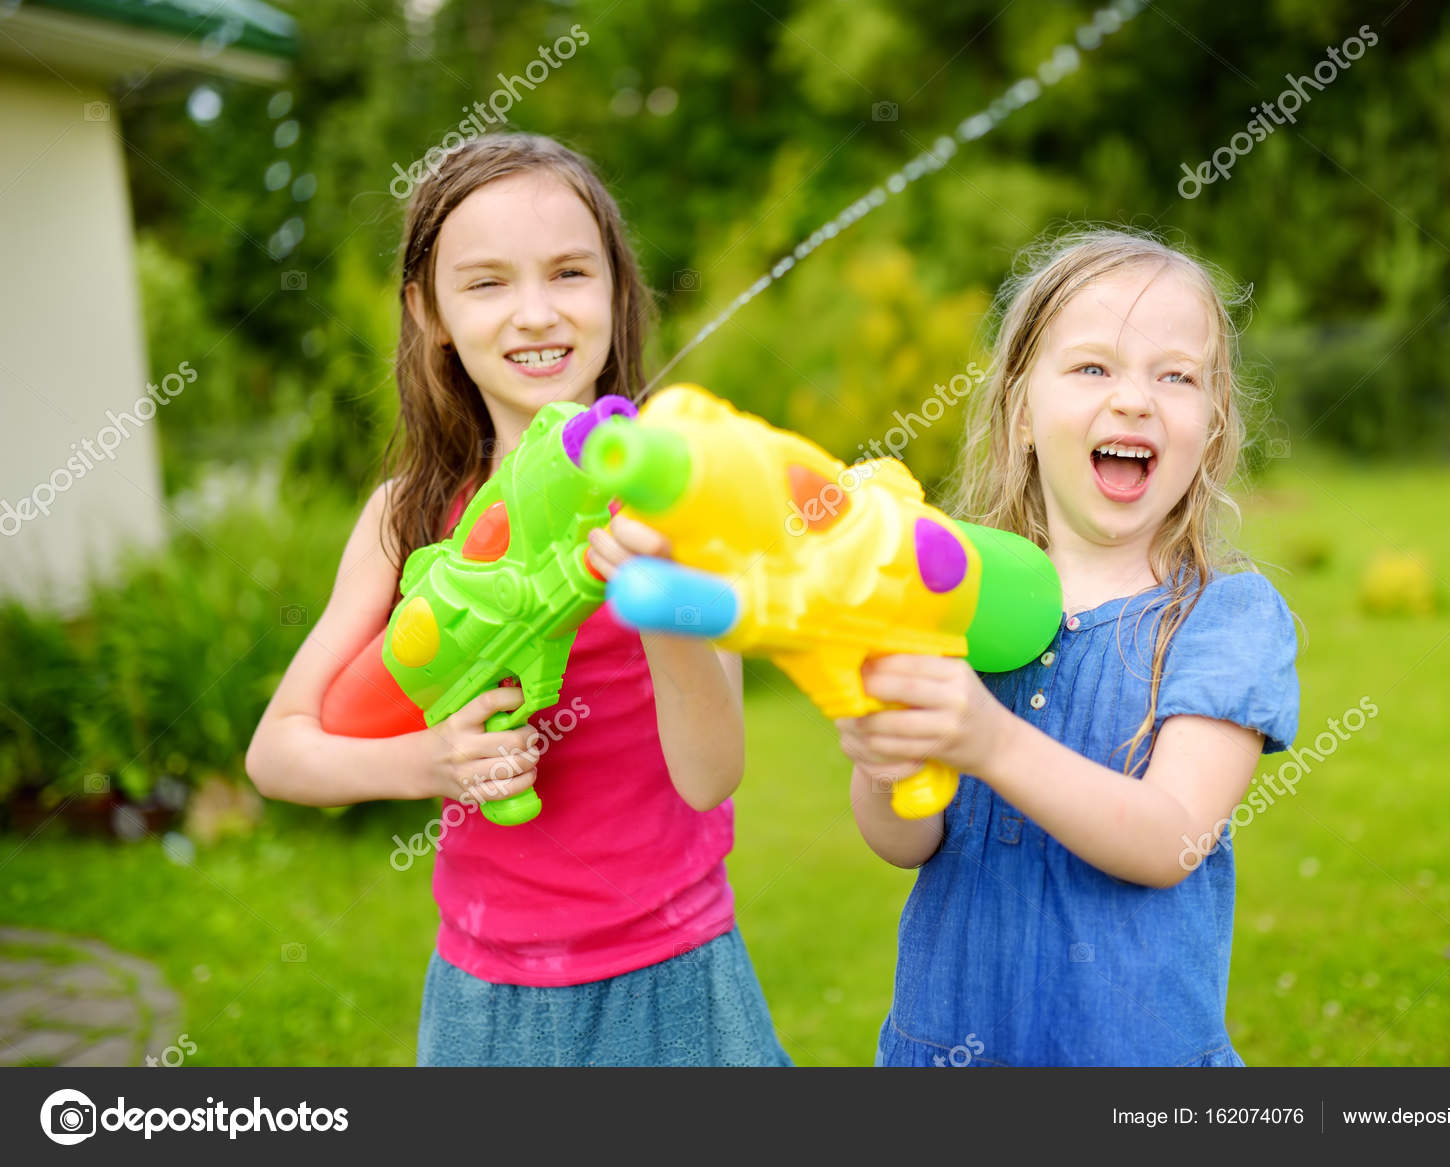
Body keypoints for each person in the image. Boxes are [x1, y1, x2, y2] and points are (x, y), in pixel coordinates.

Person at [245, 133, 790, 1067]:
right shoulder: (406, 516)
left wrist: (662, 603)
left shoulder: (682, 497)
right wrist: (433, 762)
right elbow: (277, 754)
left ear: (616, 287)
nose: (536, 314)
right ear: (431, 313)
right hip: (486, 997)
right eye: (488, 282)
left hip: (676, 982)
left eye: (570, 272)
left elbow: (710, 774)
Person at [837, 228, 1299, 1067]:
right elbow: (908, 841)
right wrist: (886, 763)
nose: (1134, 400)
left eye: (1176, 376)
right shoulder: (958, 594)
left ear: (1212, 424)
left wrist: (988, 738)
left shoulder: (1224, 619)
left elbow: (1170, 840)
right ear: (1021, 414)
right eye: (1094, 367)